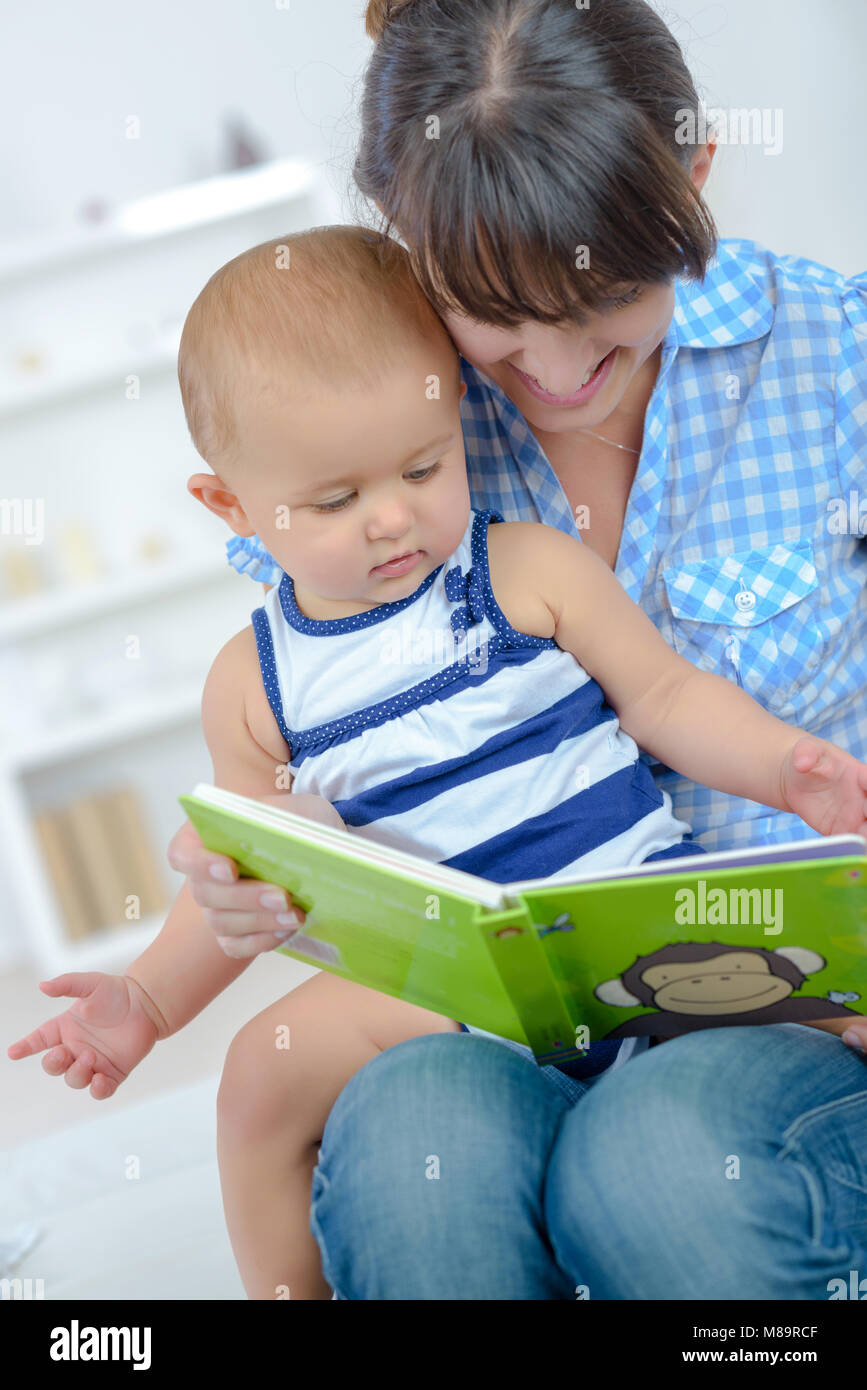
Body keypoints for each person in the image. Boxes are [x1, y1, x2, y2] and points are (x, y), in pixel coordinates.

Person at [110, 0, 867, 1298]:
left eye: (610, 300)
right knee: (418, 1153)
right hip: (483, 1012)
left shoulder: (841, 355)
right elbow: (309, 786)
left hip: (777, 1013)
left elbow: (677, 696)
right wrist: (252, 885)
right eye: (498, 319)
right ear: (413, 247)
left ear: (690, 176)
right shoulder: (376, 421)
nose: (561, 370)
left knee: (647, 1167)